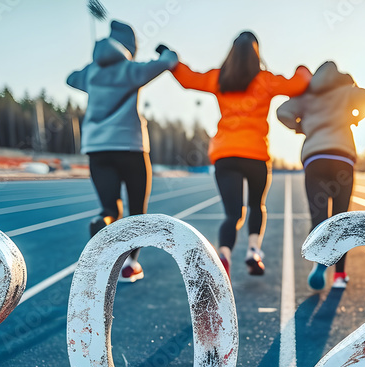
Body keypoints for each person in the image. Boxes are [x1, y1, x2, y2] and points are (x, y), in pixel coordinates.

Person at [170, 31, 311, 277]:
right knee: (257, 205)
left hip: (225, 154)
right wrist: (302, 69)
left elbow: (188, 79)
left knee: (232, 213)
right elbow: (299, 84)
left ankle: (224, 255)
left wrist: (169, 60)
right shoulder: (265, 80)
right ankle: (253, 251)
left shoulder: (219, 78)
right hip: (255, 154)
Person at [67, 20, 178, 283]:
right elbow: (169, 61)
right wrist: (163, 51)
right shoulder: (132, 70)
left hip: (97, 149)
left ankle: (102, 221)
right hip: (130, 146)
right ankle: (130, 263)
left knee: (109, 207)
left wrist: (93, 65)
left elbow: (71, 78)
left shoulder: (91, 74)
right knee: (137, 211)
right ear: (130, 47)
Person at [277, 61, 365, 290]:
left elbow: (282, 111)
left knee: (318, 216)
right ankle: (340, 275)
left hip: (315, 159)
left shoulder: (307, 96)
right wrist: (355, 118)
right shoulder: (346, 92)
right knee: (341, 218)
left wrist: (301, 126)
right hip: (342, 158)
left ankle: (319, 262)